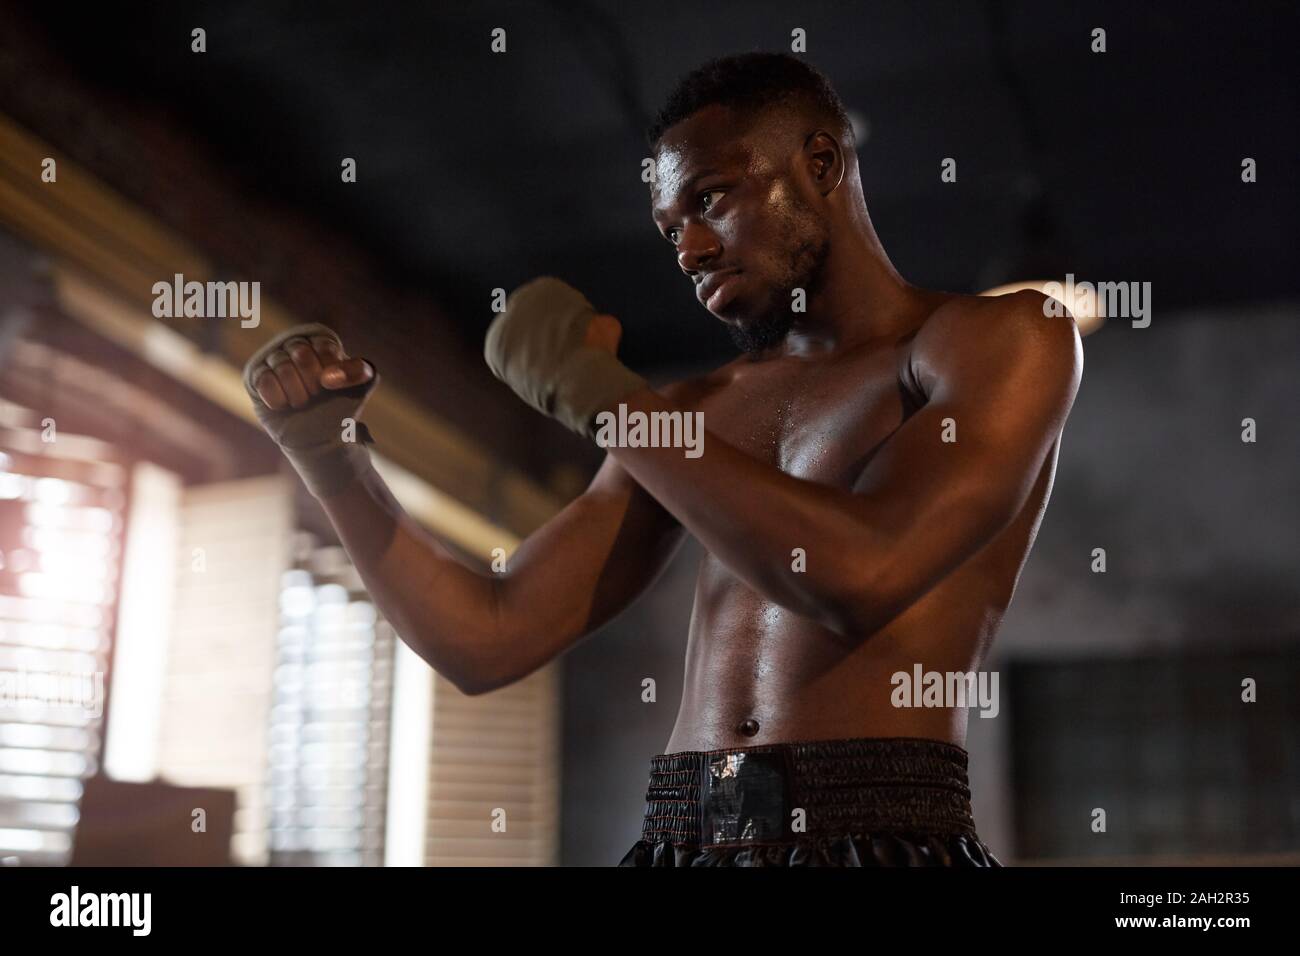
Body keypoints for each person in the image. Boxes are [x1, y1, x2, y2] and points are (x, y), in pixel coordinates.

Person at [243, 52, 1082, 867]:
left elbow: (864, 572)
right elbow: (489, 638)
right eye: (670, 228)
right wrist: (328, 455)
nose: (688, 250)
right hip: (682, 837)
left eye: (710, 199)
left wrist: (605, 399)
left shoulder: (996, 341)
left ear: (820, 163)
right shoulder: (691, 414)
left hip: (877, 830)